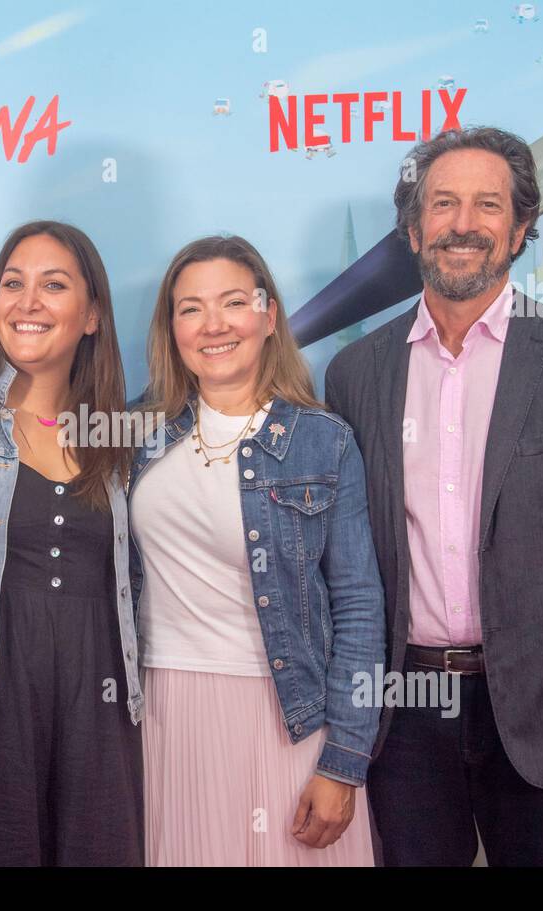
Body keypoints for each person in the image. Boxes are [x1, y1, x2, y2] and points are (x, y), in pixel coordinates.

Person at [323, 126, 543, 866]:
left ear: (521, 226)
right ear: (413, 229)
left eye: (487, 205)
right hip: (401, 717)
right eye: (443, 204)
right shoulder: (354, 374)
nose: (464, 224)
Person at [129, 234, 386, 866]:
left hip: (286, 716)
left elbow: (358, 607)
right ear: (171, 328)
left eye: (234, 302)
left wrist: (345, 761)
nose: (213, 325)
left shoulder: (324, 442)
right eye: (190, 308)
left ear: (268, 316)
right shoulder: (135, 439)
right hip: (163, 715)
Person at [0, 221, 144, 866]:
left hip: (102, 699)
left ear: (91, 315)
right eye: (13, 283)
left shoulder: (123, 435)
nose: (27, 302)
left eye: (53, 285)